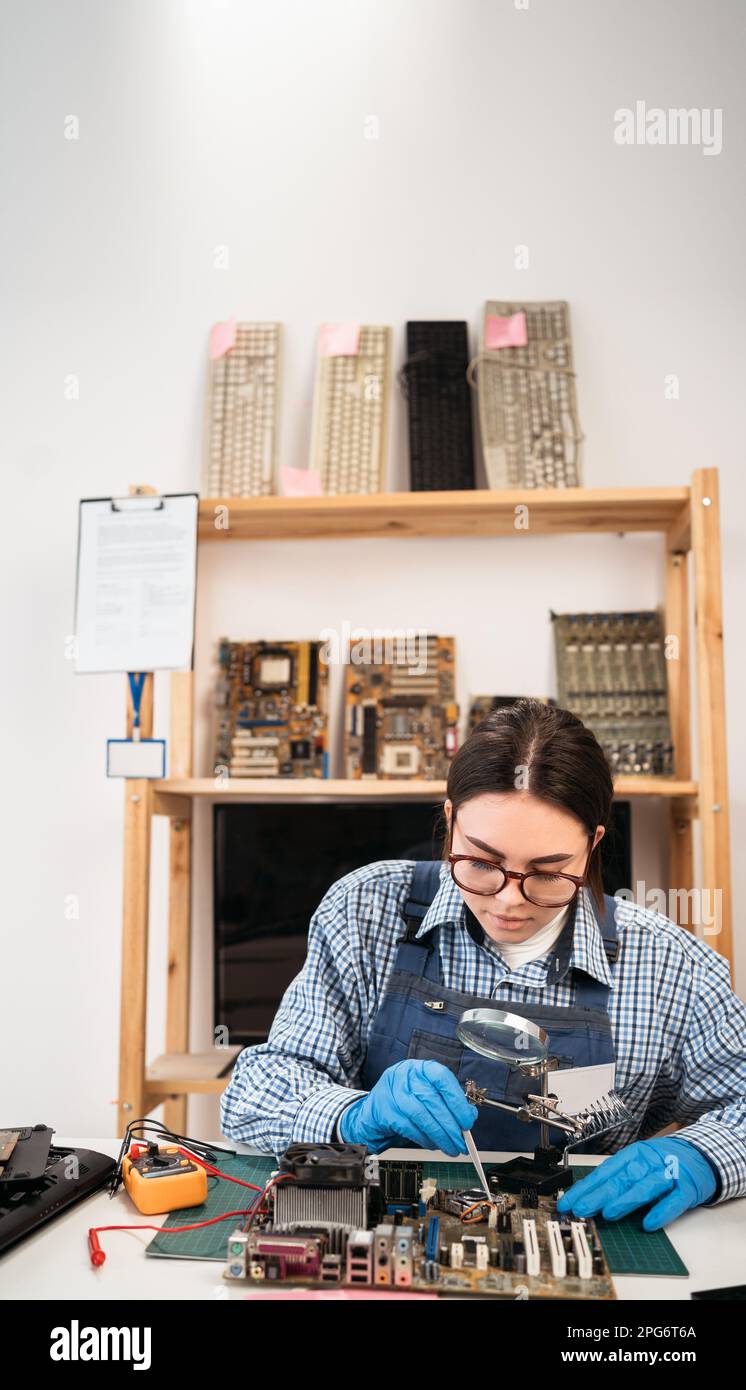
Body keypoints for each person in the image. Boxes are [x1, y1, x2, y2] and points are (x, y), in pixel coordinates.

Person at [220, 699, 746, 1230]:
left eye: (548, 872)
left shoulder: (668, 964)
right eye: (481, 863)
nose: (508, 901)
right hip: (385, 1233)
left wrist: (700, 1158)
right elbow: (253, 1092)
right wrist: (353, 1116)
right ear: (450, 821)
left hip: (578, 1241)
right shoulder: (366, 910)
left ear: (593, 846)